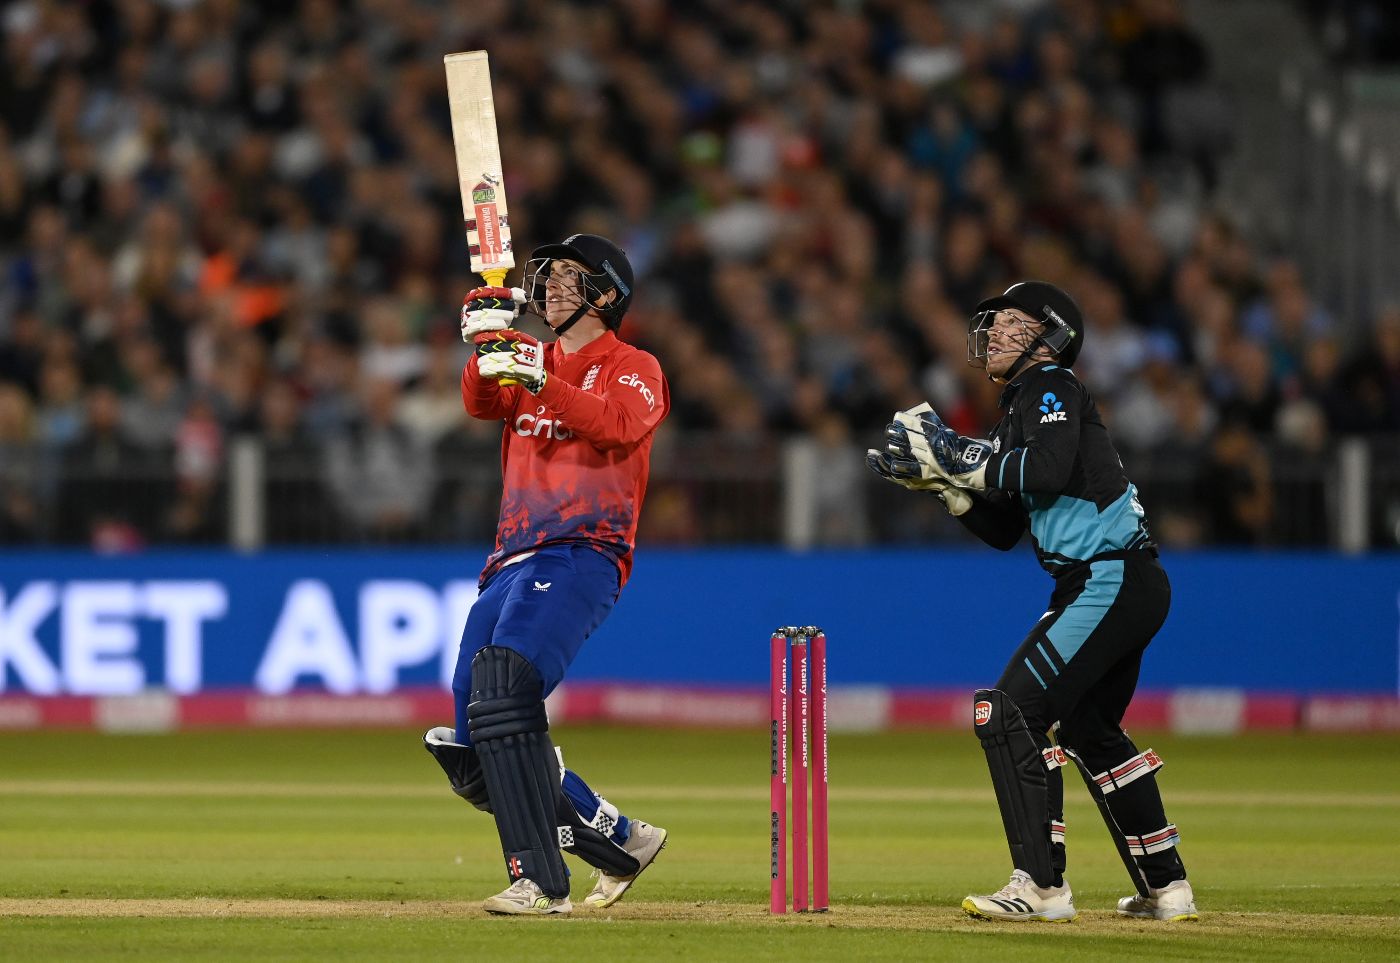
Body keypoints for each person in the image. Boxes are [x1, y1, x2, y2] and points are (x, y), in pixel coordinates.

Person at [866, 281, 1197, 923]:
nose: (991, 331)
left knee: (1007, 710)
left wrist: (960, 456)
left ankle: (1042, 888)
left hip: (1110, 577)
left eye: (1011, 322)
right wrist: (946, 485)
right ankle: (1167, 888)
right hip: (1113, 583)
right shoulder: (1021, 407)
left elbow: (1041, 470)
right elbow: (1005, 529)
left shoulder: (1050, 385)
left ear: (1047, 336)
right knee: (1089, 730)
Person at [422, 234, 670, 916]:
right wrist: (487, 341)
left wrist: (537, 375)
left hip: (583, 550)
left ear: (608, 293)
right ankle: (618, 839)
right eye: (550, 273)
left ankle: (539, 880)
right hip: (510, 557)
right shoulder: (530, 356)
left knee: (506, 688)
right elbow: (479, 401)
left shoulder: (635, 365)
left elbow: (618, 427)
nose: (553, 284)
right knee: (475, 746)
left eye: (571, 275)